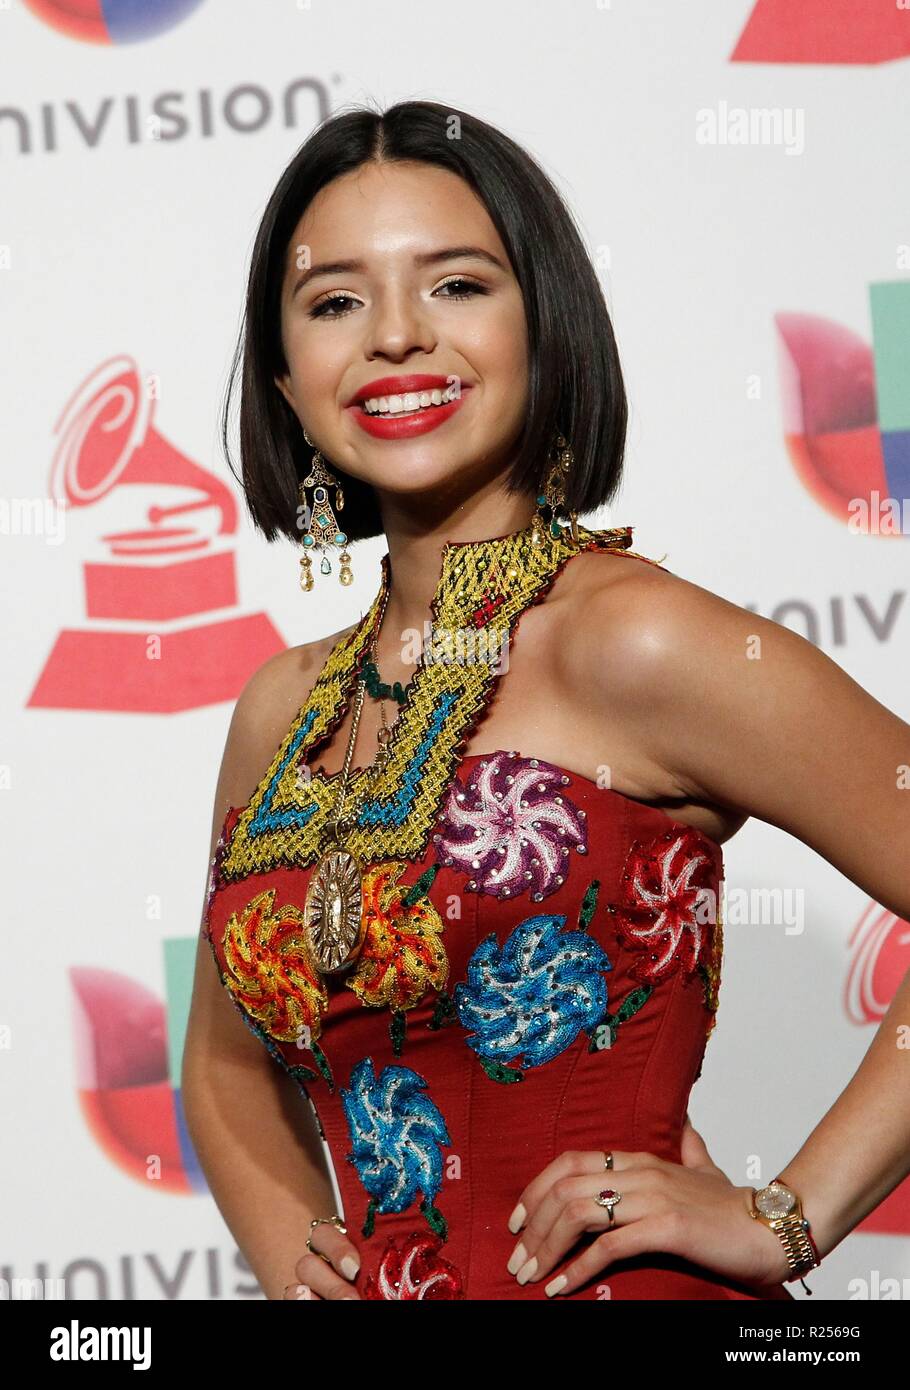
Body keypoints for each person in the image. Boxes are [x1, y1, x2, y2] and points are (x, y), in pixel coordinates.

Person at [181, 99, 910, 1301]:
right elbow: (219, 1063)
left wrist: (790, 1212)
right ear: (287, 379)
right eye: (334, 303)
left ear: (546, 323)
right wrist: (285, 1248)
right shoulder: (280, 705)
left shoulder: (634, 640)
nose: (395, 339)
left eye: (456, 286)